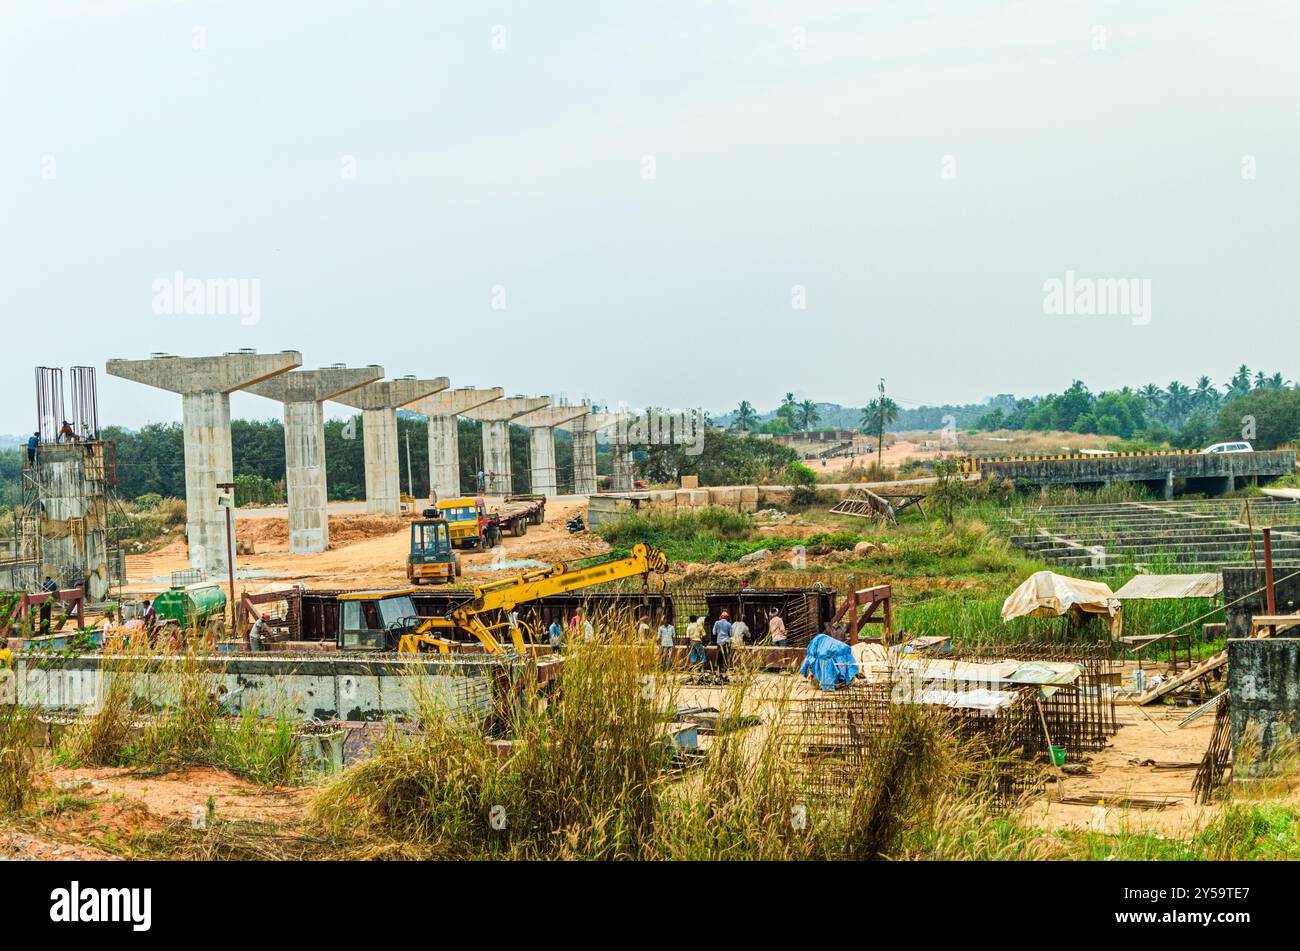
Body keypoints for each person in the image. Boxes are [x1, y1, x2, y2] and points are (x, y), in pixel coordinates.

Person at [712, 611, 733, 675]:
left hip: (719, 642)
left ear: (721, 617)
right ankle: (725, 671)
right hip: (726, 642)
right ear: (727, 618)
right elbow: (731, 634)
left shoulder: (717, 623)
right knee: (726, 656)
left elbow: (714, 633)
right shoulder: (729, 624)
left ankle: (718, 670)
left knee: (719, 657)